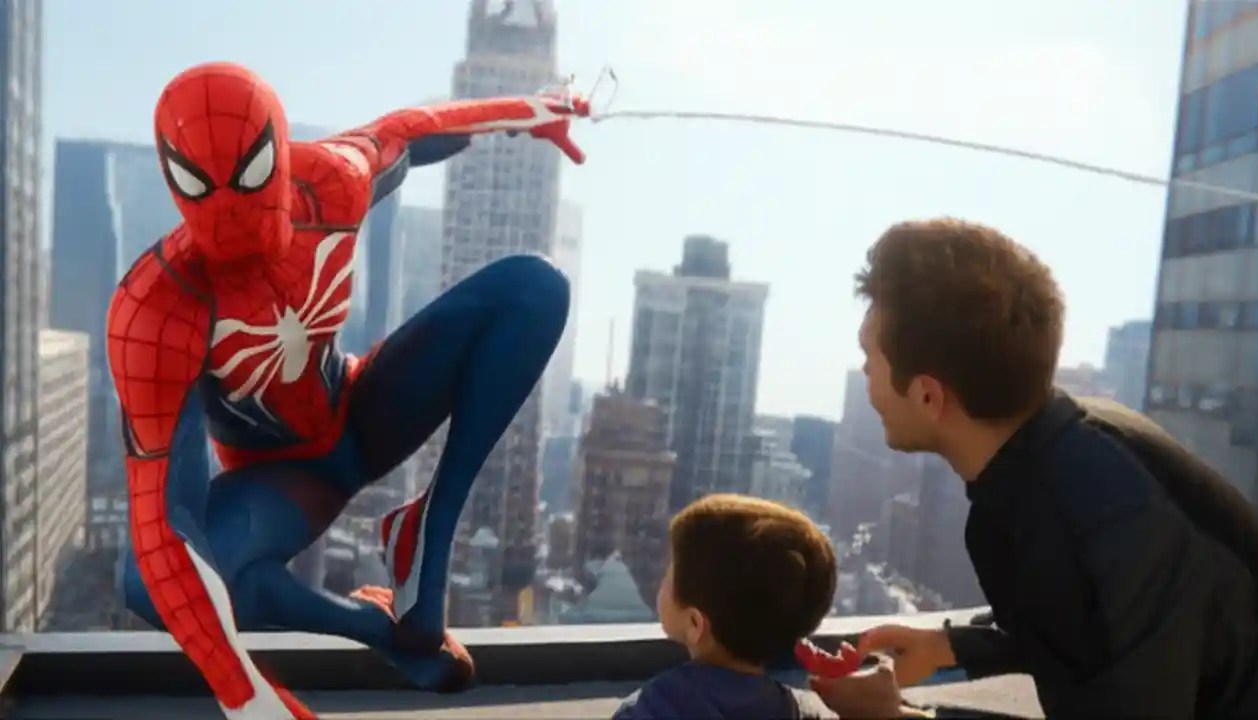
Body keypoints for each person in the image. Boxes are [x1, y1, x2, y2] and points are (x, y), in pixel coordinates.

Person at [107, 61, 589, 719]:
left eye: (250, 175)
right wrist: (247, 698)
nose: (232, 215)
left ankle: (428, 527)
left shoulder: (330, 183)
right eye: (201, 186)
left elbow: (413, 131)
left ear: (277, 154)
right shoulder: (158, 310)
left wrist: (533, 111)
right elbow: (167, 529)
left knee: (536, 289)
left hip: (362, 410)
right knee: (148, 580)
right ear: (174, 180)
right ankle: (376, 628)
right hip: (283, 480)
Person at [814, 218, 1258, 717]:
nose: (865, 373)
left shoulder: (1106, 513)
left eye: (870, 356)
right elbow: (1084, 626)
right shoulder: (1061, 462)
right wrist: (949, 647)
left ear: (928, 395)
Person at [615, 493, 919, 719]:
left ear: (695, 624)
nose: (661, 581)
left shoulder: (648, 711)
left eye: (669, 572)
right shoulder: (807, 713)